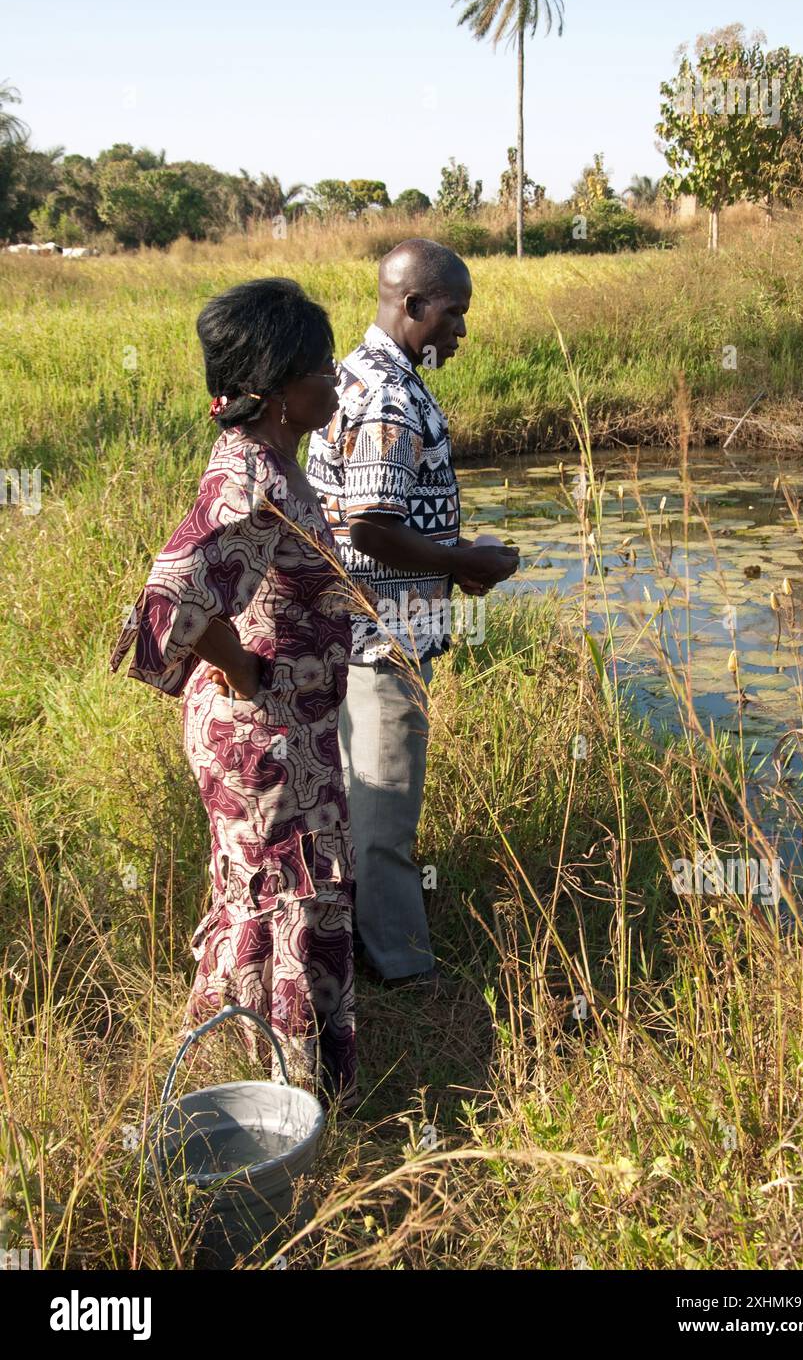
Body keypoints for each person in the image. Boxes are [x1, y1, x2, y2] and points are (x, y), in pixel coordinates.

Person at [109, 277, 359, 1107]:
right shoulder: (248, 486)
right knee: (277, 897)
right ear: (282, 388)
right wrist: (243, 667)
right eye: (323, 367)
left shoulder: (272, 462)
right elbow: (172, 602)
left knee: (276, 889)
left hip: (291, 731)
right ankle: (271, 1082)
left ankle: (272, 1066)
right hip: (266, 735)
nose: (336, 381)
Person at [307, 239, 519, 987]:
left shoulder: (359, 375)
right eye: (453, 315)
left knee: (356, 797)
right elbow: (367, 525)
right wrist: (460, 561)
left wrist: (449, 551)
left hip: (359, 627)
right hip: (379, 639)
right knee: (384, 817)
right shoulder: (389, 395)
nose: (460, 331)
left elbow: (376, 518)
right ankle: (398, 966)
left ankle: (347, 934)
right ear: (412, 306)